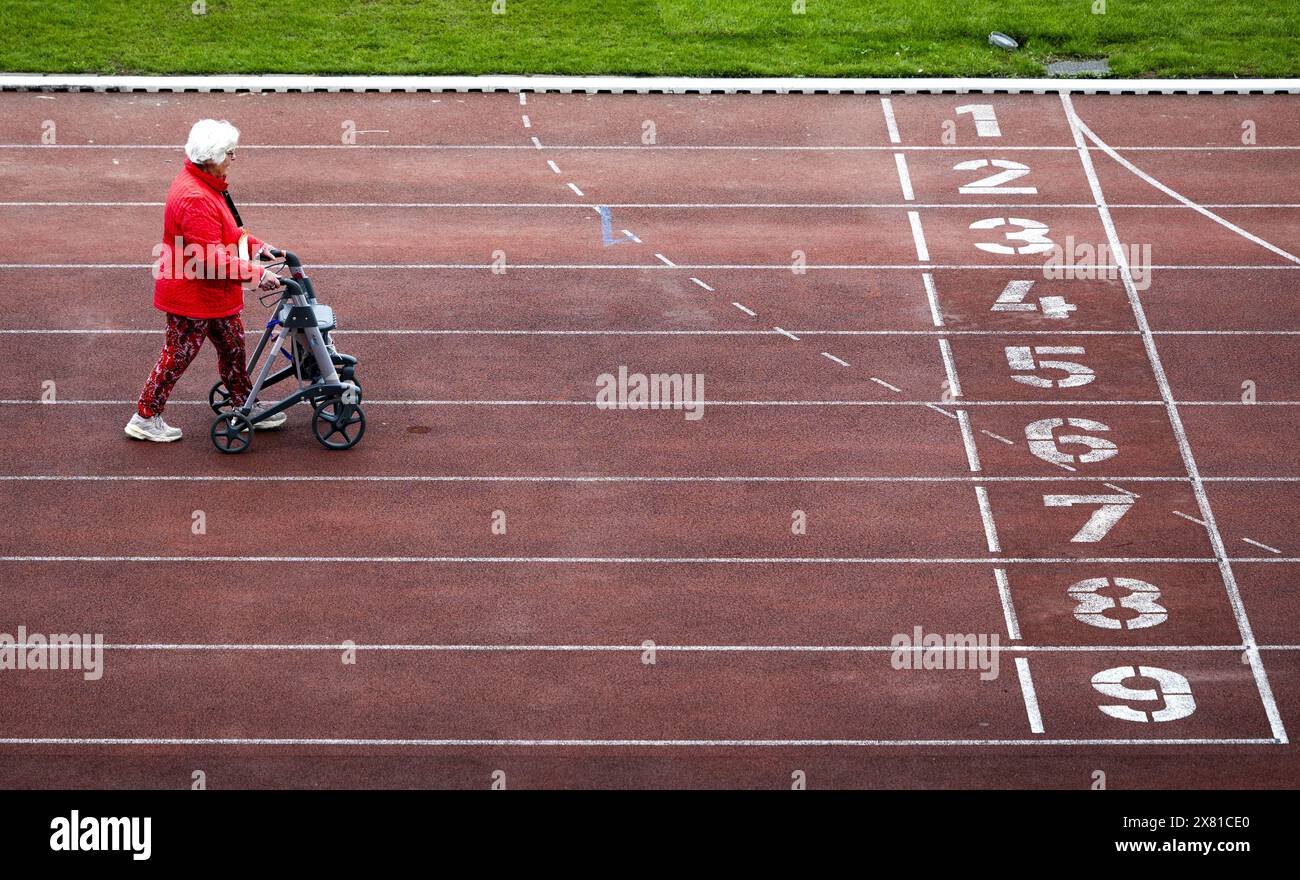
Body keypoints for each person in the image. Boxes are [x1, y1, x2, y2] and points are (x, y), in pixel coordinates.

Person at [126, 118, 286, 442]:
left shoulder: (206, 185)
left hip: (212, 294)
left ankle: (244, 403)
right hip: (193, 297)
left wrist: (258, 248)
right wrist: (257, 274)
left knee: (233, 349)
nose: (234, 158)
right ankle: (145, 415)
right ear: (212, 156)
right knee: (178, 355)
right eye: (230, 152)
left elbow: (227, 234)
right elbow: (210, 257)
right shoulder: (196, 198)